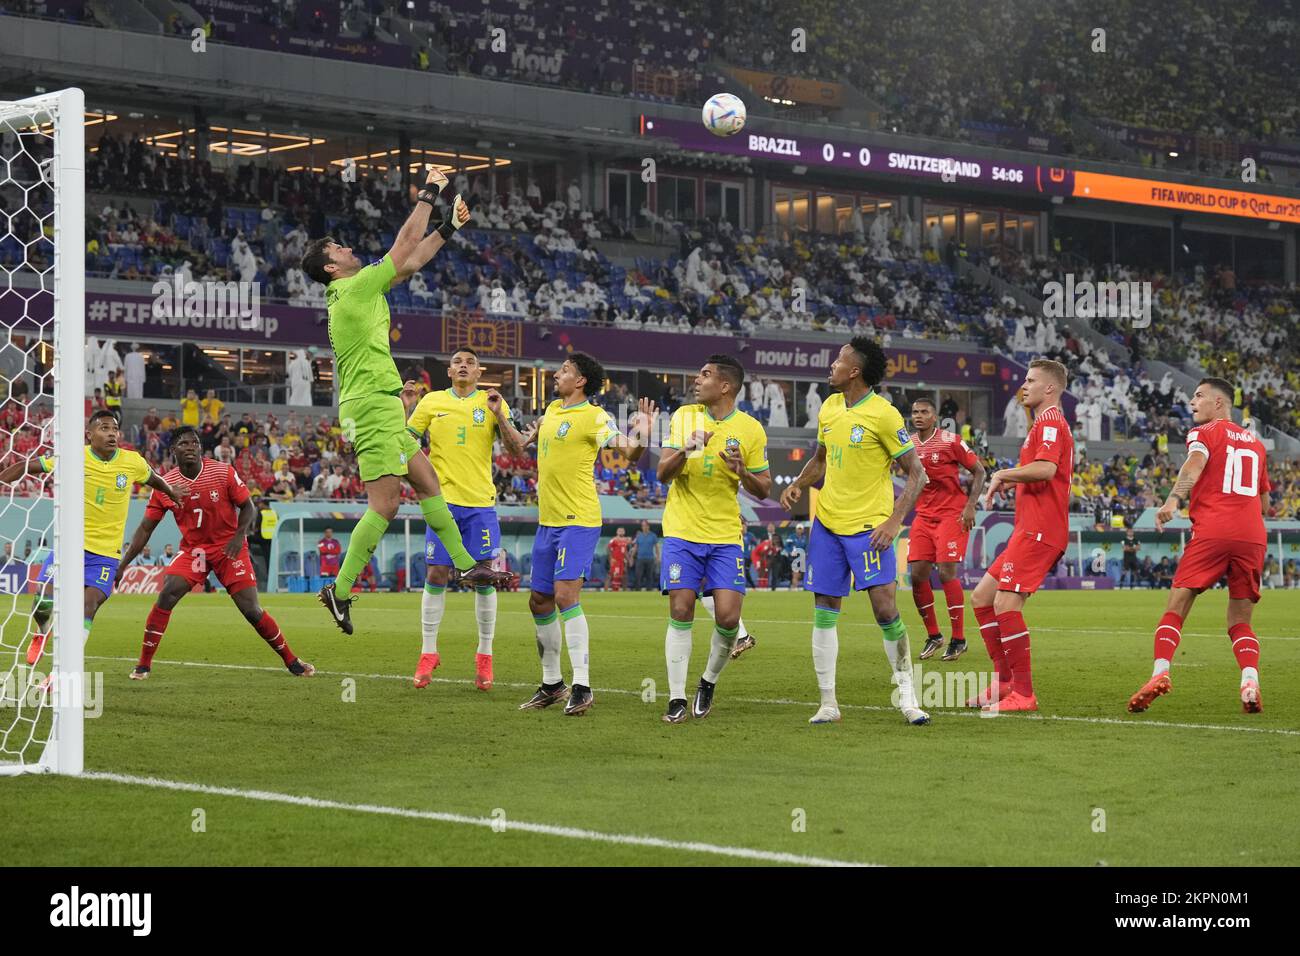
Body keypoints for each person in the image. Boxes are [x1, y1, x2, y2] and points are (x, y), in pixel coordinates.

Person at [301, 164, 508, 634]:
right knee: (386, 505)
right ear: (332, 267)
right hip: (371, 405)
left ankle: (465, 563)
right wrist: (429, 191)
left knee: (429, 482)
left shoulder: (357, 288)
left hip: (377, 402)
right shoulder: (352, 289)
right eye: (340, 248)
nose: (349, 248)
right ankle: (342, 587)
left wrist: (449, 228)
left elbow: (411, 261)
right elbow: (400, 248)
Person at [780, 337, 929, 725]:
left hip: (869, 529)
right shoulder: (830, 407)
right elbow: (820, 459)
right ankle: (828, 703)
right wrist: (799, 482)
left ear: (855, 371)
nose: (832, 365)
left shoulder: (884, 414)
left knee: (885, 609)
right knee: (825, 611)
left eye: (839, 360)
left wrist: (894, 521)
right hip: (827, 525)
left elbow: (918, 473)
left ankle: (909, 699)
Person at [515, 352, 656, 715]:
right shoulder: (550, 413)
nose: (556, 373)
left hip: (578, 519)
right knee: (539, 601)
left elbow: (629, 453)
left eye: (564, 370)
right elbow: (519, 444)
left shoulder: (595, 415)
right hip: (548, 521)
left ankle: (582, 685)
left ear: (580, 382)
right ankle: (551, 684)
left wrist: (642, 431)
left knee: (564, 596)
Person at [116, 427, 312, 679]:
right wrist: (123, 565)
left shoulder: (222, 472)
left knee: (251, 609)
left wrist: (239, 535)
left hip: (228, 547)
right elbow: (145, 528)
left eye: (194, 443)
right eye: (184, 443)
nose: (190, 447)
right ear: (173, 450)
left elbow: (247, 506)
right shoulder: (165, 486)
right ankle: (143, 665)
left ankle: (291, 660)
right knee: (167, 593)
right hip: (194, 551)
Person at [0, 410, 189, 666]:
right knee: (42, 602)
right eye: (104, 428)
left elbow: (153, 478)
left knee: (87, 605)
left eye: (115, 429)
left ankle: (65, 670)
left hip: (105, 555)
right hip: (68, 547)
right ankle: (42, 635)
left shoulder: (132, 461)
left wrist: (170, 489)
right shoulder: (73, 457)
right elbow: (26, 466)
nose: (112, 433)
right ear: (89, 435)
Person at [1129, 378, 1271, 715]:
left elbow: (1193, 465)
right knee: (1240, 621)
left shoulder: (1205, 433)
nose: (1192, 402)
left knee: (1176, 605)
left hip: (1213, 530)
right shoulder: (1257, 445)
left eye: (1199, 396)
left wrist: (1172, 501)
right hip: (1252, 535)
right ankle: (1249, 680)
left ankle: (1160, 673)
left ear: (1219, 403)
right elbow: (1265, 504)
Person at [403, 347, 525, 691]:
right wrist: (405, 410)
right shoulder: (431, 403)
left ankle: (484, 656)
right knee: (436, 572)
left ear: (479, 371)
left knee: (483, 576)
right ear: (449, 370)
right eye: (457, 362)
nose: (463, 366)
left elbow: (517, 450)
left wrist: (500, 414)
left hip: (480, 504)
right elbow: (402, 444)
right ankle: (429, 652)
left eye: (470, 363)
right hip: (442, 503)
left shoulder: (492, 402)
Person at [656, 354, 770, 722]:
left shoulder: (751, 429)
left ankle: (707, 682)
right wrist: (687, 448)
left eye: (705, 375)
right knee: (680, 609)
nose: (696, 379)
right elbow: (662, 473)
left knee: (728, 618)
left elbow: (764, 488)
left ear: (725, 387)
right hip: (681, 531)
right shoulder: (683, 417)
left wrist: (742, 471)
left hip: (724, 535)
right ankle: (676, 698)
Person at [971, 359, 1075, 713]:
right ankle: (1004, 683)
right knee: (983, 598)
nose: (1024, 385)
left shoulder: (1049, 422)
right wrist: (1010, 476)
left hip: (1041, 530)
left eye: (1030, 380)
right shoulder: (1040, 424)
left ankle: (1024, 693)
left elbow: (1047, 469)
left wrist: (1005, 474)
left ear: (1050, 388)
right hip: (1028, 529)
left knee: (1005, 604)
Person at [907, 397, 986, 661]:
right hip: (923, 515)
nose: (918, 416)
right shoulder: (907, 444)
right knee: (917, 574)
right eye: (915, 412)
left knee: (946, 572)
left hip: (952, 514)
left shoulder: (951, 441)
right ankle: (934, 635)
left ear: (934, 416)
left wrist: (971, 506)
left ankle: (959, 638)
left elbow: (980, 471)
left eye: (924, 412)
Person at [631, 519, 659, 592]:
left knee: (649, 576)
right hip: (640, 559)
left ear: (648, 526)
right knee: (638, 576)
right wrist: (631, 557)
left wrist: (658, 557)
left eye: (646, 526)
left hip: (650, 559)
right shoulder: (639, 536)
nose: (644, 527)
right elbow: (635, 547)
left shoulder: (653, 535)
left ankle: (649, 591)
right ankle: (637, 591)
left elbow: (656, 547)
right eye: (643, 526)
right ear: (642, 527)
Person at [606, 527, 630, 591]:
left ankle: (625, 591)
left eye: (622, 531)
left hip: (622, 561)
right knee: (611, 575)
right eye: (619, 530)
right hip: (615, 561)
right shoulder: (614, 539)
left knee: (624, 576)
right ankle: (606, 591)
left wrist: (629, 559)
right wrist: (611, 558)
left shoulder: (625, 541)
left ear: (624, 532)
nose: (621, 532)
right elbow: (608, 548)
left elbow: (625, 551)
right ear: (617, 532)